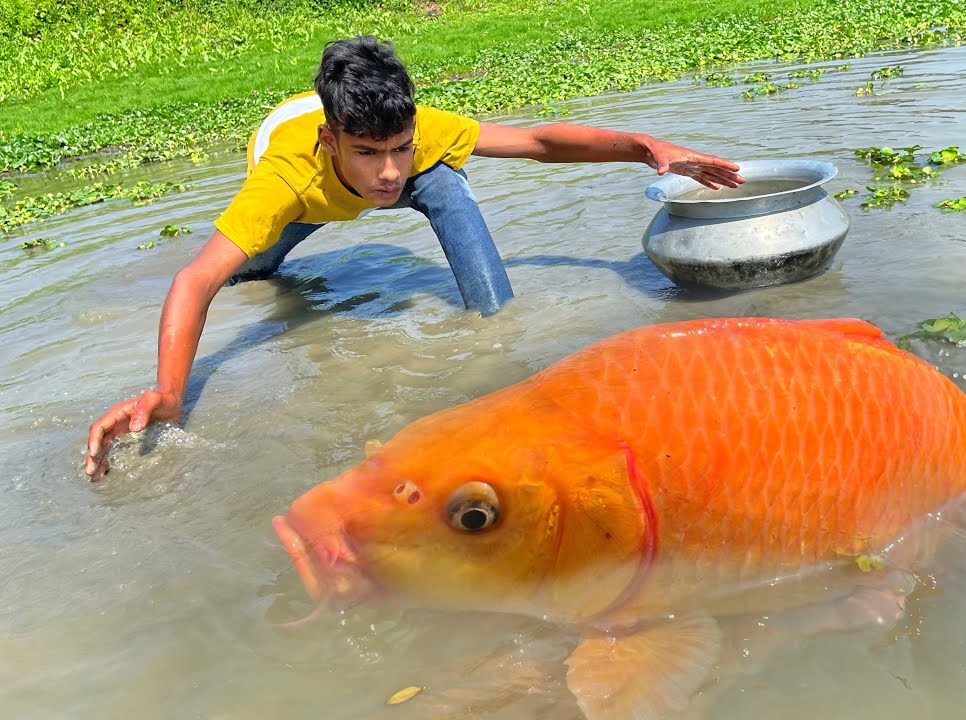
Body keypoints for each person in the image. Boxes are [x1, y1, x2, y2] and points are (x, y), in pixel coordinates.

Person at [83, 35, 743, 481]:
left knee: (447, 183)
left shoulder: (417, 138)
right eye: (369, 153)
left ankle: (497, 317)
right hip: (308, 196)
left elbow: (539, 142)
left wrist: (643, 145)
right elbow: (195, 280)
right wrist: (170, 391)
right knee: (251, 272)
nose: (390, 172)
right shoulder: (283, 179)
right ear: (331, 139)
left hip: (369, 166)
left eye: (399, 147)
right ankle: (283, 243)